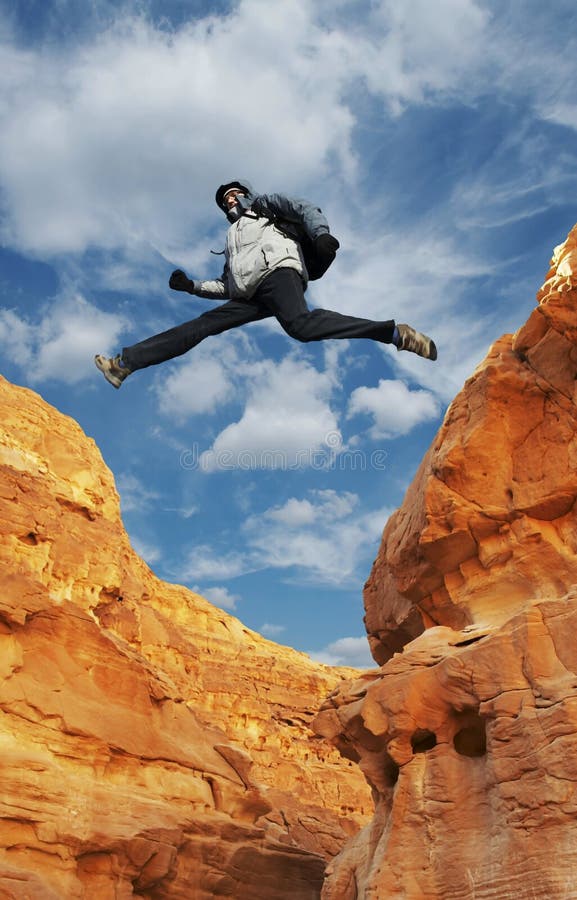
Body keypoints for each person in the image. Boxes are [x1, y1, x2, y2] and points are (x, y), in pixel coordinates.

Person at [95, 179, 437, 389]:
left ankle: (395, 333)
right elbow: (228, 285)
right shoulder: (231, 238)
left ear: (246, 194)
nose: (230, 200)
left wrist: (321, 235)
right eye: (225, 200)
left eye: (234, 194)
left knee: (301, 326)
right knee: (201, 326)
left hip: (279, 273)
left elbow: (303, 207)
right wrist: (193, 286)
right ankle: (124, 364)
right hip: (250, 294)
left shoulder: (264, 207)